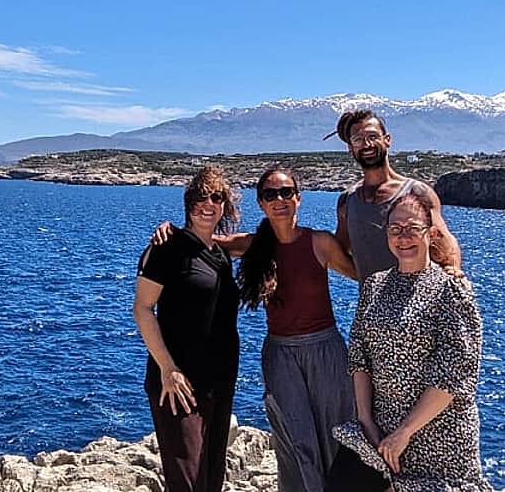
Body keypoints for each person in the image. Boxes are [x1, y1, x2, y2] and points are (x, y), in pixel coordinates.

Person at [343, 185, 493, 492]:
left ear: (431, 234)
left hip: (437, 440)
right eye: (395, 229)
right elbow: (359, 355)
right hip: (378, 434)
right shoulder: (374, 286)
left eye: (413, 229)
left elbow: (454, 375)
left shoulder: (451, 290)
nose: (403, 238)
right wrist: (365, 419)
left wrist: (404, 432)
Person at [237, 167, 358, 492]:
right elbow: (206, 242)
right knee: (295, 438)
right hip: (281, 356)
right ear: (261, 204)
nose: (279, 200)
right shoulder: (254, 246)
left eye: (286, 192)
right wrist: (168, 234)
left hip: (327, 351)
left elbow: (363, 276)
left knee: (340, 432)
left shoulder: (319, 243)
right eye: (270, 194)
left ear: (298, 198)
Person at [133, 165, 242, 492]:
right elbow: (142, 309)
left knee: (210, 480)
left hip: (220, 382)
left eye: (216, 197)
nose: (207, 203)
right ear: (187, 202)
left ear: (225, 204)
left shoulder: (221, 253)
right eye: (199, 196)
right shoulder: (167, 248)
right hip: (178, 383)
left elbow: (262, 241)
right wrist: (168, 368)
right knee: (188, 481)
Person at [329, 110, 463, 280]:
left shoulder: (416, 192)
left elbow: (446, 241)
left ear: (387, 140)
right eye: (358, 140)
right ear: (351, 148)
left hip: (418, 304)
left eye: (373, 136)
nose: (367, 144)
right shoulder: (347, 201)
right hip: (371, 305)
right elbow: (336, 252)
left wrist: (453, 270)